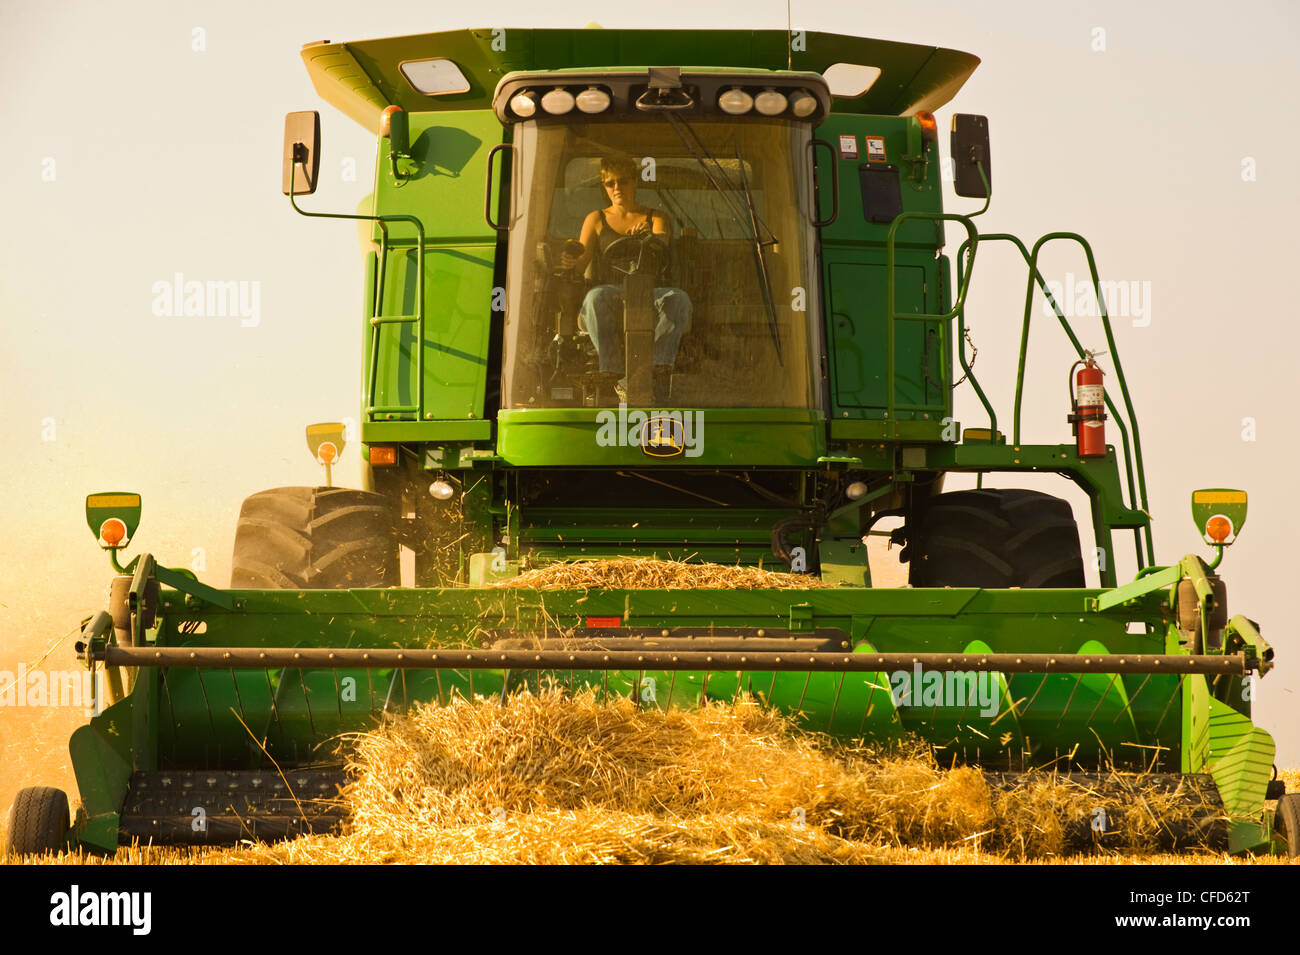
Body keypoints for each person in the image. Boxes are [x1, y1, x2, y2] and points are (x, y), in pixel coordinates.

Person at [562, 156, 691, 401]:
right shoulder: (596, 219)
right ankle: (616, 375)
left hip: (650, 292)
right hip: (613, 292)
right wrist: (571, 263)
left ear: (635, 183)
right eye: (610, 183)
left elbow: (662, 240)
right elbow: (581, 262)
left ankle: (656, 370)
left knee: (679, 299)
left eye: (623, 181)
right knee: (594, 297)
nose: (617, 188)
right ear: (604, 187)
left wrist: (648, 238)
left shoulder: (656, 217)